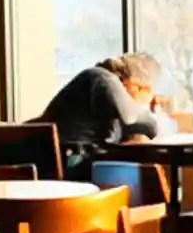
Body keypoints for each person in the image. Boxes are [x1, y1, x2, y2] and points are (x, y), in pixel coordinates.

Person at [33, 53, 163, 178]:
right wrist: (153, 115)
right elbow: (135, 119)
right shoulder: (102, 77)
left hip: (65, 163)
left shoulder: (103, 94)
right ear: (137, 86)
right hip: (68, 164)